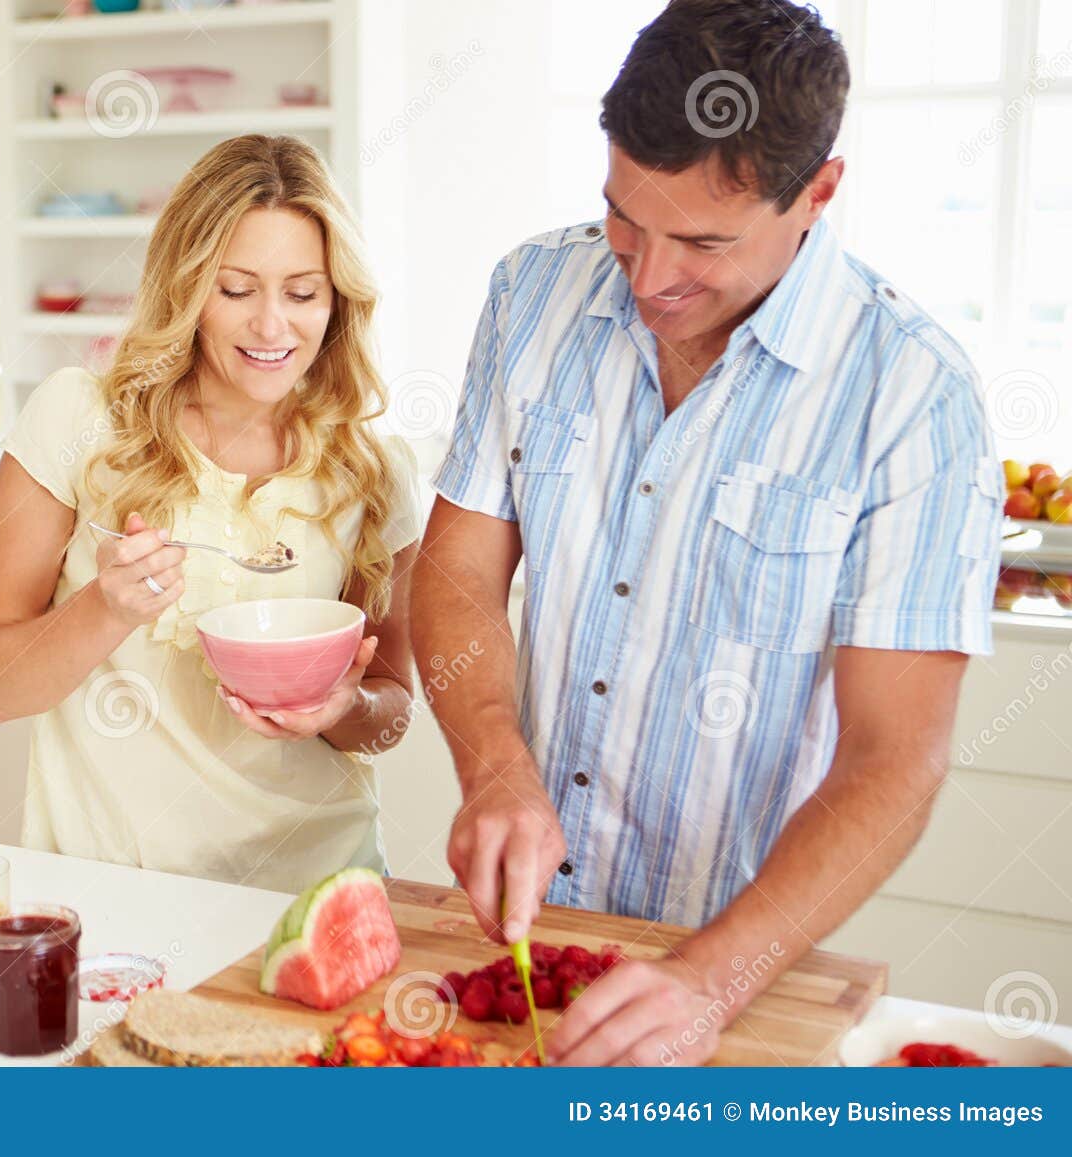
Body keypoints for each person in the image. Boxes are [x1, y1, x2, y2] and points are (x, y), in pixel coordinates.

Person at [413, 0, 1000, 1065]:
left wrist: (712, 977)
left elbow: (893, 758)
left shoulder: (912, 395)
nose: (646, 278)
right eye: (625, 219)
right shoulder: (528, 293)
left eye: (703, 241)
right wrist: (495, 765)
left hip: (739, 968)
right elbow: (455, 571)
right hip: (530, 946)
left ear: (817, 192)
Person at [0, 134, 424, 893]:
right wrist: (102, 610)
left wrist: (344, 705)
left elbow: (394, 715)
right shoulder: (81, 418)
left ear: (338, 299)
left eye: (302, 293)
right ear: (186, 289)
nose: (272, 326)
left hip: (316, 886)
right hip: (116, 887)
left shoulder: (373, 468)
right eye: (236, 289)